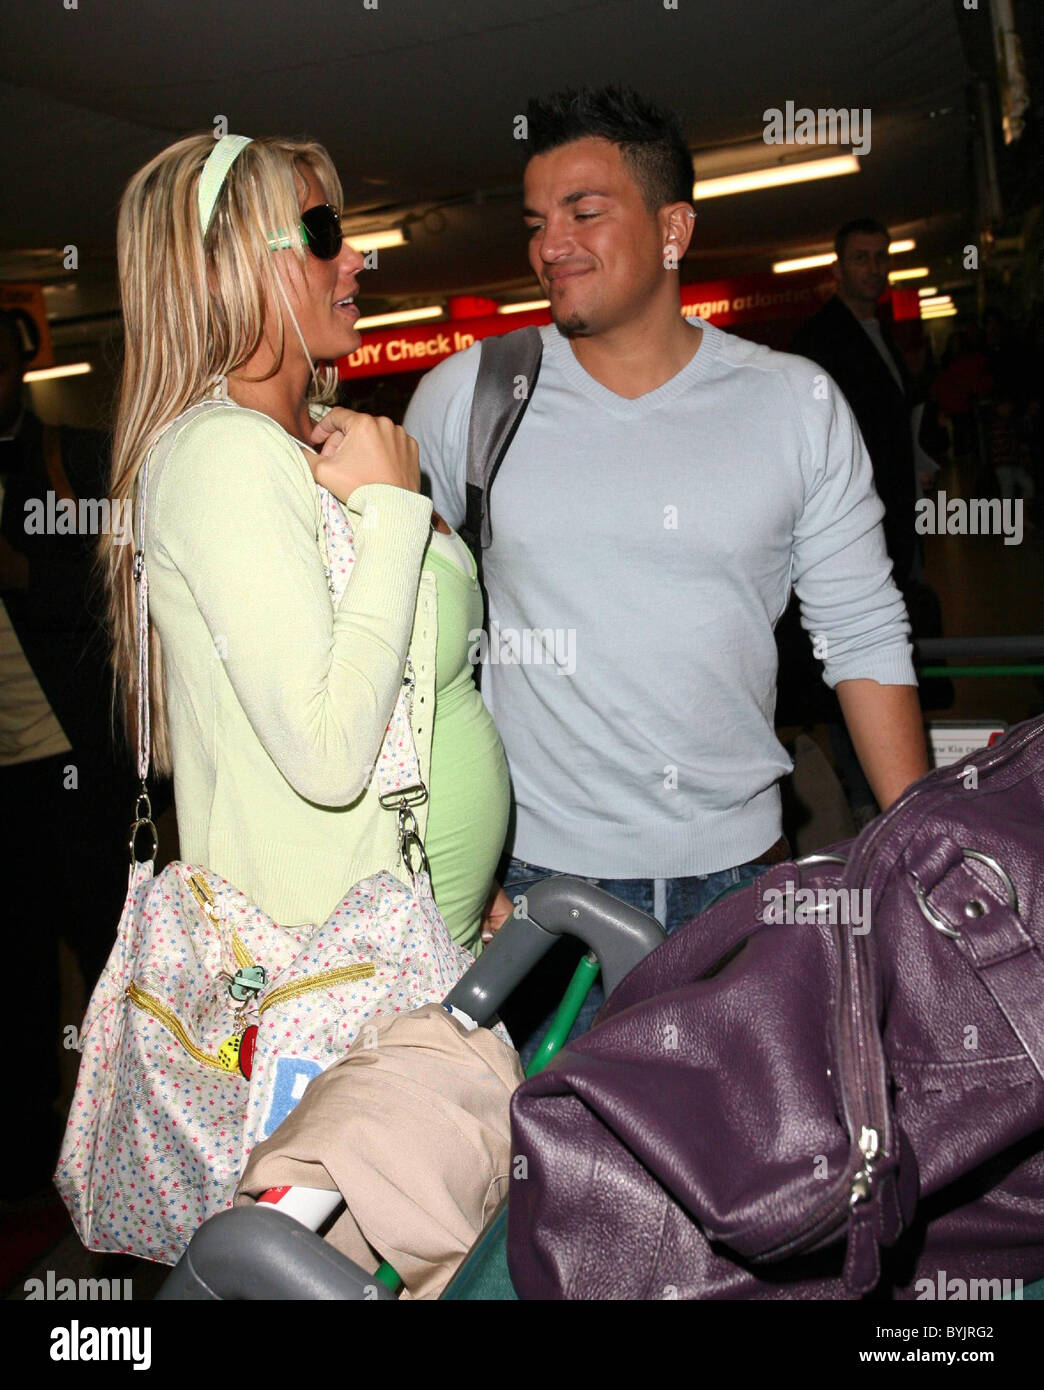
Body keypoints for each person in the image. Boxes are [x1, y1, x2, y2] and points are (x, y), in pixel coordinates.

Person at [405, 87, 930, 1052]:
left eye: (584, 211)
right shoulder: (470, 399)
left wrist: (918, 853)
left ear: (674, 226)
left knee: (739, 1177)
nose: (550, 243)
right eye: (536, 222)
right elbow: (400, 628)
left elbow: (861, 630)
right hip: (533, 900)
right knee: (546, 1189)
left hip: (741, 884)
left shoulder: (792, 404)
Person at [99, 133, 509, 957]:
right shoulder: (225, 454)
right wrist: (394, 509)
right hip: (324, 983)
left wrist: (453, 869)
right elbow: (325, 755)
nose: (356, 257)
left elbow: (395, 692)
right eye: (323, 233)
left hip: (405, 941)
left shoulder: (308, 449)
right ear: (233, 268)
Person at [0, 310, 136, 1196]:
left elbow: (109, 576)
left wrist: (20, 566)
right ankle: (21, 1153)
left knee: (104, 952)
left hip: (74, 761)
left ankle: (125, 1138)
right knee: (12, 967)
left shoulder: (71, 455)